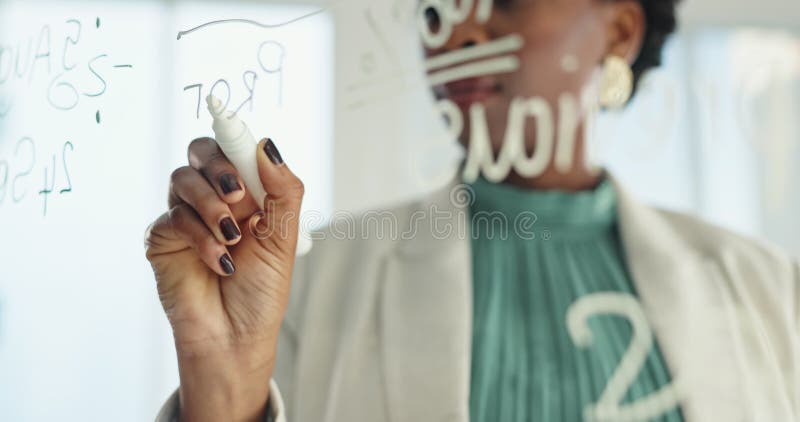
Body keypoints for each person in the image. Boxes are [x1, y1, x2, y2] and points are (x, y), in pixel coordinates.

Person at [145, 0, 800, 421]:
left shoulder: (771, 292)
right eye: (437, 8)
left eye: (504, 2)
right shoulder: (308, 286)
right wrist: (223, 390)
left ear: (620, 30)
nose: (457, 32)